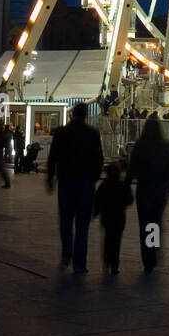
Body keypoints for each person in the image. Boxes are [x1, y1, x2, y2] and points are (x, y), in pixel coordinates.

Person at [46, 103, 104, 274]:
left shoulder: (62, 133)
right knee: (82, 225)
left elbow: (52, 157)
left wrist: (50, 178)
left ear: (71, 115)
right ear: (86, 115)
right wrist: (94, 177)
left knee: (65, 221)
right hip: (86, 182)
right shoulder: (93, 133)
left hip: (66, 181)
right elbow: (99, 159)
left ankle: (66, 256)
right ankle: (80, 263)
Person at [127, 115, 169, 273]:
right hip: (160, 188)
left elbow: (132, 167)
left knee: (146, 222)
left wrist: (126, 183)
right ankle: (153, 250)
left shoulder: (140, 146)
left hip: (144, 187)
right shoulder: (166, 146)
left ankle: (148, 256)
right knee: (155, 221)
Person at [93, 161, 133, 274]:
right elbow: (129, 200)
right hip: (119, 217)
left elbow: (98, 201)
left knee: (107, 240)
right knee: (116, 242)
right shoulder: (122, 186)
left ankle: (106, 262)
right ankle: (114, 264)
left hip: (107, 217)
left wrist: (95, 213)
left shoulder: (103, 186)